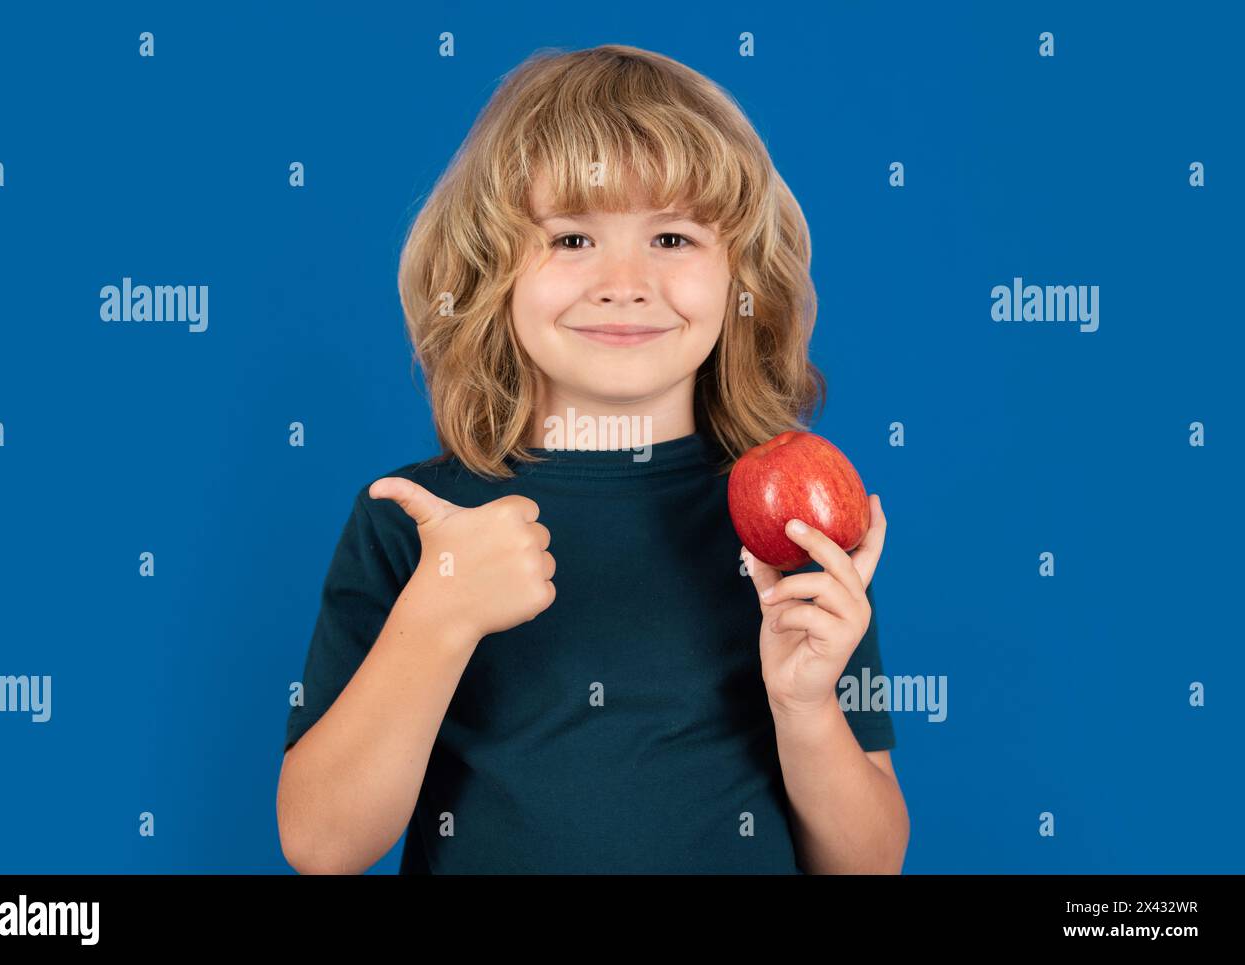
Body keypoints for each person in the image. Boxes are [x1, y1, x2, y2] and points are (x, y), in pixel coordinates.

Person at [276, 43, 909, 874]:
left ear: (741, 277)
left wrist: (805, 705)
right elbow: (321, 844)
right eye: (572, 238)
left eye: (674, 237)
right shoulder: (415, 519)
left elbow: (868, 864)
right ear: (486, 273)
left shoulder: (791, 522)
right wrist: (439, 613)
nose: (624, 280)